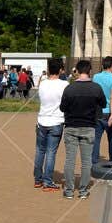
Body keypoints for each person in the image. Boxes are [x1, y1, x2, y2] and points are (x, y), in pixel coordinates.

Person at [59, 60, 106, 200]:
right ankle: (83, 191)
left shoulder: (70, 88)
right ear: (90, 71)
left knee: (70, 160)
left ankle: (69, 190)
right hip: (88, 127)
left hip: (71, 126)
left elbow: (62, 107)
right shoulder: (96, 88)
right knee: (86, 162)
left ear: (77, 71)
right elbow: (103, 103)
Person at [33, 57, 67, 192]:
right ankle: (47, 181)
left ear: (48, 69)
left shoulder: (43, 84)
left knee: (40, 150)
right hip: (56, 121)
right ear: (60, 70)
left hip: (42, 120)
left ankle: (38, 179)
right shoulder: (64, 84)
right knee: (51, 152)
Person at [91, 57, 112, 163]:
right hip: (109, 111)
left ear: (103, 65)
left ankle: (94, 161)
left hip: (98, 111)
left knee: (96, 139)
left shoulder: (95, 77)